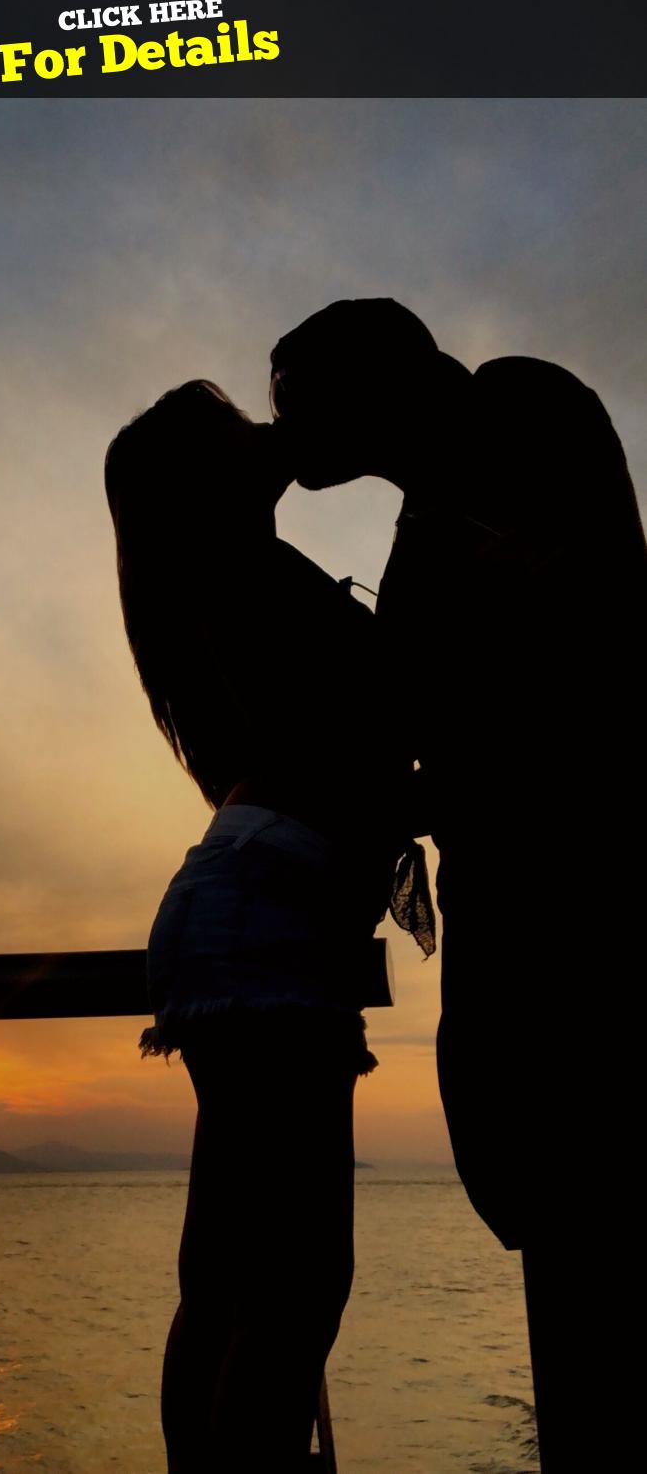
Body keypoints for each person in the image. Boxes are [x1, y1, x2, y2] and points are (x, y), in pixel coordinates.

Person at [268, 298, 646, 1469]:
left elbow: (590, 642)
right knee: (565, 1234)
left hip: (595, 913)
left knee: (600, 1220)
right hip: (521, 922)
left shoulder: (522, 405)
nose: (285, 432)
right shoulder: (419, 524)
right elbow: (437, 731)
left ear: (372, 383)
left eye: (296, 401)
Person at [104, 378, 433, 1474]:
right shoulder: (247, 578)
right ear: (213, 475)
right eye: (236, 427)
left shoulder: (205, 595)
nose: (265, 432)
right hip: (275, 915)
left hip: (228, 905)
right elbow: (369, 746)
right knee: (297, 1290)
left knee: (228, 1277)